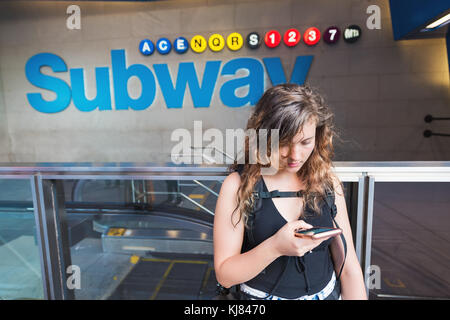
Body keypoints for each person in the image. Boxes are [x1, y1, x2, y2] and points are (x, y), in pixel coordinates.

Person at [213, 84, 367, 300]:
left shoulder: (327, 181)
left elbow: (349, 266)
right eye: (284, 143)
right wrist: (275, 247)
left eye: (305, 142)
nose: (295, 155)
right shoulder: (238, 185)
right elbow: (225, 275)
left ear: (318, 135)